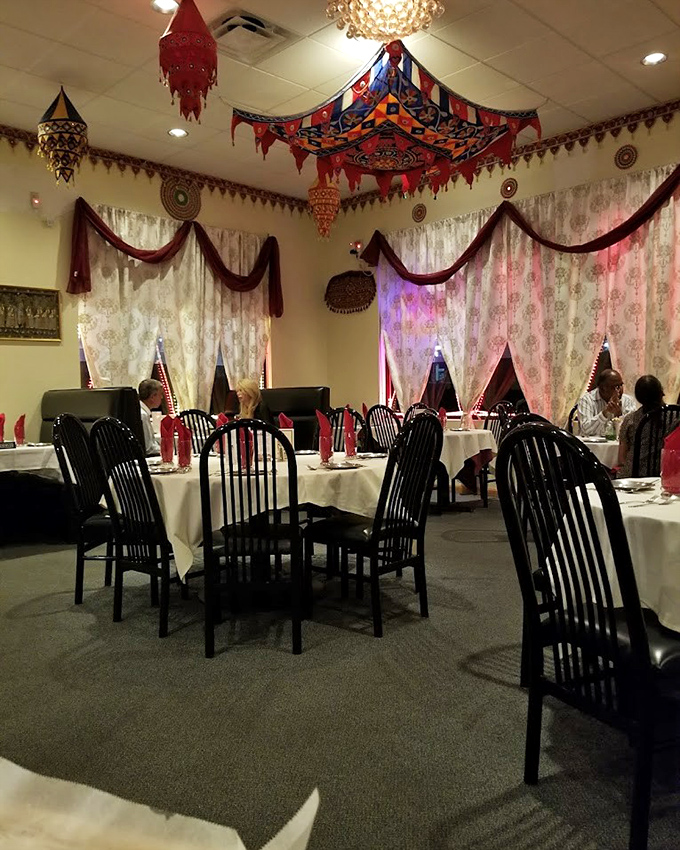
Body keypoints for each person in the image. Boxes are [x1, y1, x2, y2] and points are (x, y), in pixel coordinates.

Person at [617, 375, 665, 478]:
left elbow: (621, 458)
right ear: (661, 392)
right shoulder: (674, 417)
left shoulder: (631, 420)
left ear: (638, 397)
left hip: (634, 475)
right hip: (665, 473)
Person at [577, 369, 636, 437]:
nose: (620, 390)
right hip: (592, 446)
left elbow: (633, 429)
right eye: (616, 386)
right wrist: (604, 413)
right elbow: (585, 430)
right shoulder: (587, 400)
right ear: (603, 388)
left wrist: (619, 415)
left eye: (621, 385)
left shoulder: (628, 401)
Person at [138, 378, 163, 456]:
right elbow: (148, 448)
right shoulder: (143, 415)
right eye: (160, 394)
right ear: (152, 397)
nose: (162, 397)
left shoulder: (141, 411)